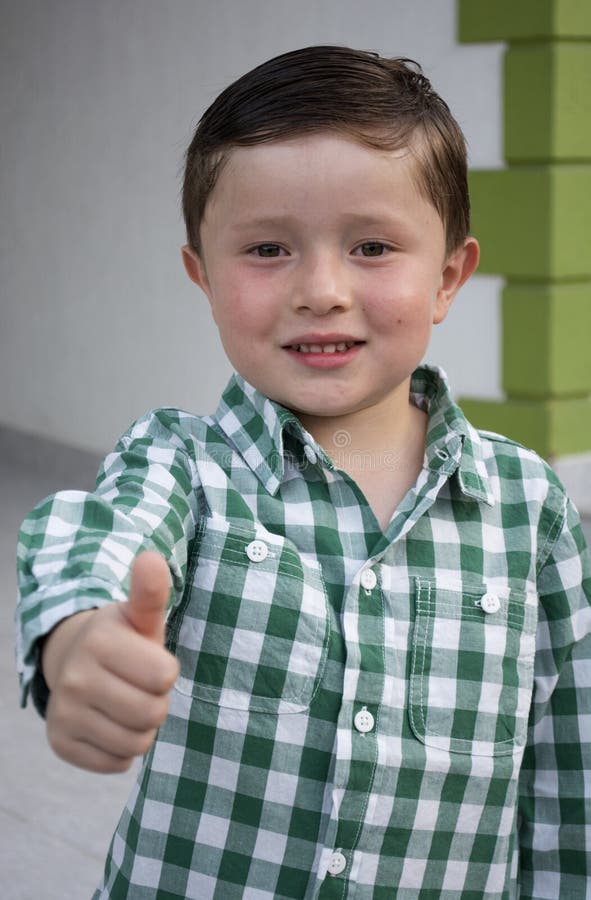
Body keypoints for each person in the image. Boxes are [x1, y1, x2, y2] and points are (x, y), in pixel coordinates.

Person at [15, 45, 591, 899]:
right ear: (203, 277)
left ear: (447, 278)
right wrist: (78, 633)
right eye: (266, 249)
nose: (320, 289)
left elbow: (567, 773)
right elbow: (99, 534)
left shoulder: (529, 507)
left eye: (371, 246)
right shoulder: (181, 462)